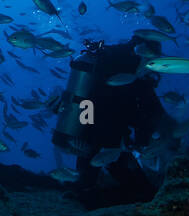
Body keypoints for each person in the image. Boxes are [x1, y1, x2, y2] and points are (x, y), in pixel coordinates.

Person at [52, 36, 176, 205]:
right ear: (143, 51)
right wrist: (147, 134)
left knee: (89, 163)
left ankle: (81, 191)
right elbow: (141, 108)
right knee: (139, 188)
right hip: (107, 130)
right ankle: (92, 198)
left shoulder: (112, 60)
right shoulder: (130, 69)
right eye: (152, 57)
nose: (153, 63)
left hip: (88, 119)